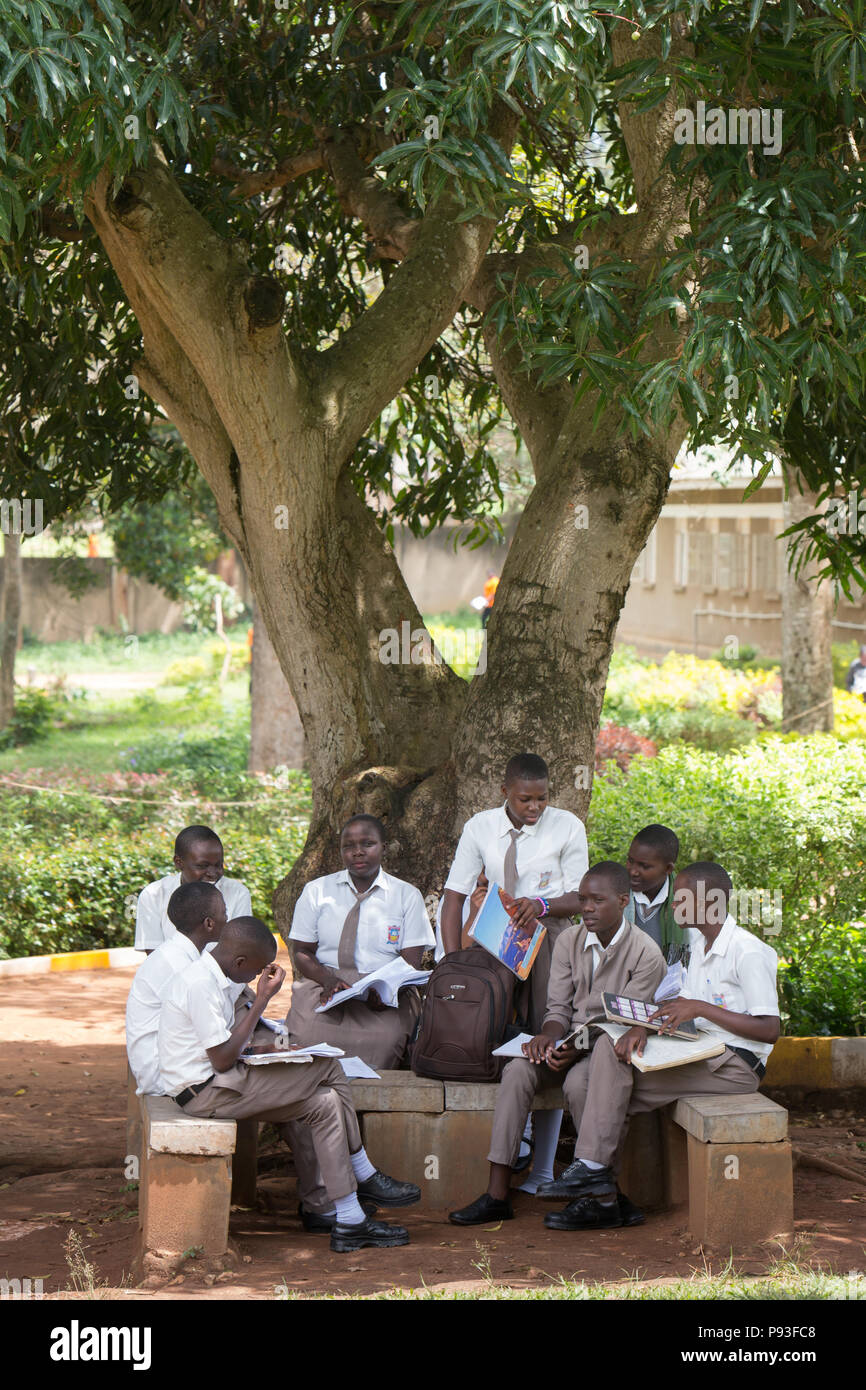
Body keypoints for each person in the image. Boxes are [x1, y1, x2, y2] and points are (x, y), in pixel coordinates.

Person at [535, 861, 780, 1232]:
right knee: (587, 1076)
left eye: (680, 898)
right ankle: (604, 1195)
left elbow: (769, 1029)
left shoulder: (747, 951)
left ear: (708, 903)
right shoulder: (697, 944)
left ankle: (596, 1184)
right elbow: (679, 1003)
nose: (673, 905)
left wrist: (698, 1007)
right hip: (701, 1050)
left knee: (605, 1082)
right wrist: (642, 1027)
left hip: (735, 1066)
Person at [158, 916, 421, 1252]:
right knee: (328, 1065)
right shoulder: (200, 984)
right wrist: (263, 1000)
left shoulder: (216, 975)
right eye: (253, 971)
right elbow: (222, 1058)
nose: (254, 978)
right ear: (238, 961)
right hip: (206, 1093)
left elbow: (218, 1047)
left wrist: (263, 1050)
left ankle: (349, 1218)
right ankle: (364, 1172)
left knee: (325, 1103)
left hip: (222, 1080)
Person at [449, 862, 665, 1227]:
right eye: (583, 900)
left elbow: (622, 1022)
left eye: (598, 900)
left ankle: (599, 1196)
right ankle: (497, 1194)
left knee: (580, 1085)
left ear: (623, 901)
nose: (588, 908)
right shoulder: (568, 940)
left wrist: (574, 1047)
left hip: (604, 1049)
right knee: (518, 1070)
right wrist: (548, 1036)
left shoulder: (646, 954)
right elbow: (558, 1008)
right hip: (568, 1042)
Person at [440, 752, 589, 1195]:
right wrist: (453, 964)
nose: (534, 808)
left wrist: (540, 906)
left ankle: (543, 1169)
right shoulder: (479, 827)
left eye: (542, 799)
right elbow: (454, 896)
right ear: (505, 791)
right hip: (493, 942)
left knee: (547, 1038)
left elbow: (582, 897)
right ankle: (512, 1140)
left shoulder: (567, 828)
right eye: (525, 799)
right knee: (498, 1035)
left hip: (549, 941)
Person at [285, 814, 434, 1069]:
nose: (357, 852)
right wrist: (327, 980)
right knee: (305, 1031)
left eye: (367, 844)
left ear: (383, 848)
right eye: (348, 846)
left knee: (388, 1039)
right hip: (328, 986)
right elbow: (302, 952)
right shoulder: (317, 891)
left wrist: (385, 989)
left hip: (384, 992)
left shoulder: (406, 895)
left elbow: (411, 960)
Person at [126, 881, 229, 1095]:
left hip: (170, 1064)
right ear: (209, 923)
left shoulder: (180, 954)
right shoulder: (179, 965)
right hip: (164, 1077)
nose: (227, 919)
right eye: (224, 912)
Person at [134, 825, 251, 955]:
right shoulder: (154, 895)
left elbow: (238, 950)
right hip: (171, 975)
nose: (212, 873)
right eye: (202, 866)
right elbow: (155, 956)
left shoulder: (238, 893)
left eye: (218, 865)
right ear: (179, 862)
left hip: (220, 976)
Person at [624, 824, 696, 965]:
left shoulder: (688, 903)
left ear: (668, 868)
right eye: (630, 861)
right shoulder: (611, 891)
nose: (633, 871)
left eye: (644, 866)